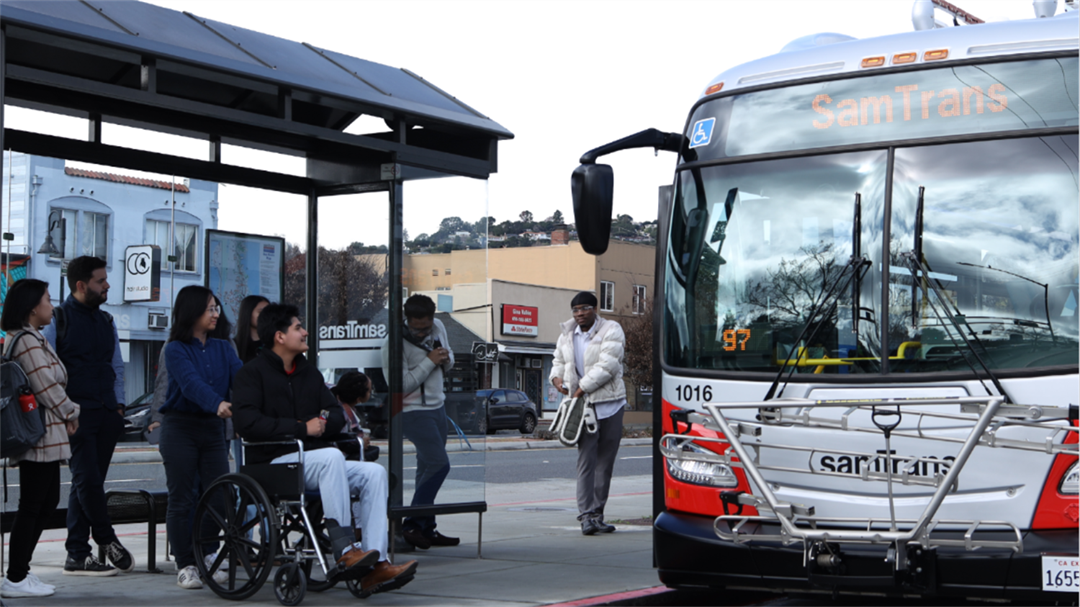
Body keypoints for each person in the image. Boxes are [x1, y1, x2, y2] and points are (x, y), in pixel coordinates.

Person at [233, 304, 417, 596]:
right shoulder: (251, 374)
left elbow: (334, 413)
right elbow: (248, 423)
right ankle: (345, 549)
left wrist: (318, 424)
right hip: (272, 463)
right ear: (279, 336)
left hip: (314, 462)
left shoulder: (309, 372)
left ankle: (377, 563)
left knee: (374, 473)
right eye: (297, 327)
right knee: (331, 456)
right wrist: (301, 428)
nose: (305, 331)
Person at [42, 255, 132, 576]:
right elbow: (49, 372)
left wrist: (119, 407)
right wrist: (63, 411)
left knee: (88, 484)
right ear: (81, 285)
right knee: (88, 479)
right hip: (75, 415)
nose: (107, 285)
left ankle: (77, 554)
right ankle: (106, 539)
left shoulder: (107, 321)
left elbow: (117, 367)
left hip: (107, 412)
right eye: (101, 281)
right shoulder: (58, 319)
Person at [158, 286, 242, 589]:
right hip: (180, 428)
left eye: (217, 308)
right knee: (182, 499)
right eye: (210, 308)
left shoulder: (223, 346)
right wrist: (217, 403)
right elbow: (191, 384)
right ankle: (186, 564)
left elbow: (242, 379)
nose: (216, 313)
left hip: (212, 428)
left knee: (221, 495)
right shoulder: (175, 348)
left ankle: (207, 553)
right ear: (192, 311)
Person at [0, 280, 80, 598]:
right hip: (39, 433)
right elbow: (46, 385)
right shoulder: (28, 342)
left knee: (42, 502)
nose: (52, 304)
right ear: (33, 306)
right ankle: (16, 577)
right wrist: (71, 412)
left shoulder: (33, 338)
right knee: (34, 504)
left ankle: (20, 573)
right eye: (48, 299)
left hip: (44, 430)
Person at [381, 295, 460, 550]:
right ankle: (412, 524)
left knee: (425, 467)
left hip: (438, 405)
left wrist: (446, 360)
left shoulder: (439, 327)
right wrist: (429, 361)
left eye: (426, 326)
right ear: (407, 319)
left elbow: (448, 364)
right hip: (411, 410)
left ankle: (426, 528)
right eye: (416, 327)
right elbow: (399, 386)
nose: (422, 332)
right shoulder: (393, 343)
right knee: (439, 464)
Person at [550, 291, 627, 536]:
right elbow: (559, 361)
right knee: (586, 462)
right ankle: (585, 516)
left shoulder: (611, 329)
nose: (579, 313)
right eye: (575, 310)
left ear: (595, 309)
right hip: (583, 407)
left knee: (604, 464)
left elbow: (608, 366)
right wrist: (556, 378)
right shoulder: (566, 334)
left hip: (610, 404)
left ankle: (598, 514)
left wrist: (581, 388)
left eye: (584, 308)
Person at [330, 371, 379, 462]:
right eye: (369, 390)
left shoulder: (333, 394)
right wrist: (361, 443)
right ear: (359, 399)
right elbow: (345, 443)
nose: (371, 392)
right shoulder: (346, 416)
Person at [234, 295, 269, 364]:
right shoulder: (233, 346)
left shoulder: (274, 344)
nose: (266, 316)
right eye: (261, 312)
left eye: (269, 312)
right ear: (248, 313)